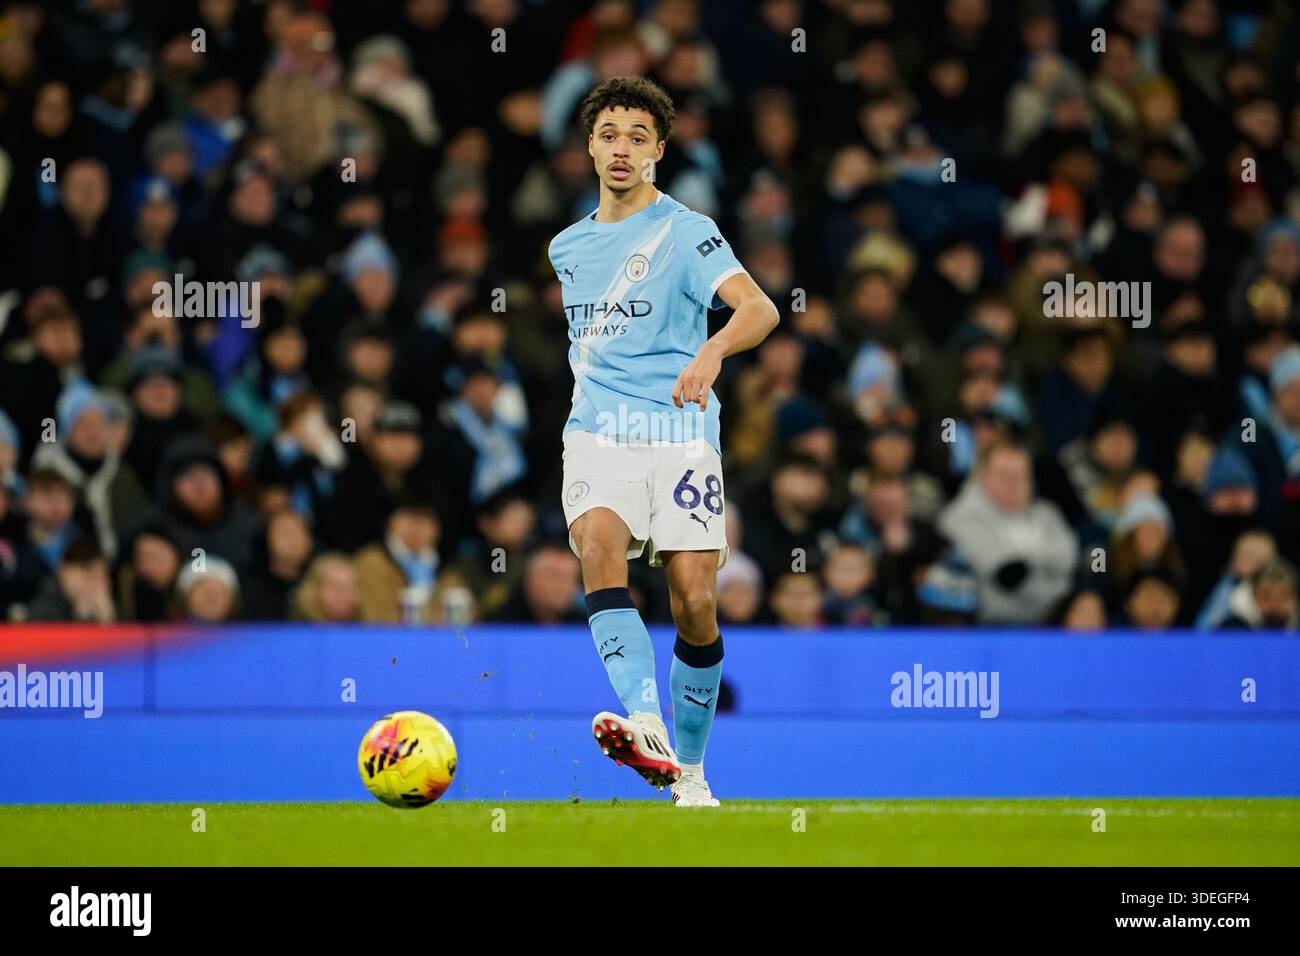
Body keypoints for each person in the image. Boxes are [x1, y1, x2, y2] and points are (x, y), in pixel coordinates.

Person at [548, 77, 779, 806]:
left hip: (680, 435)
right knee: (597, 547)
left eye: (638, 137)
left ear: (660, 151)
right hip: (599, 433)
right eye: (609, 134)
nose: (622, 148)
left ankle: (693, 771)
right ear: (589, 146)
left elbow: (760, 308)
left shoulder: (687, 230)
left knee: (694, 601)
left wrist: (711, 353)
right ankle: (643, 718)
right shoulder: (567, 248)